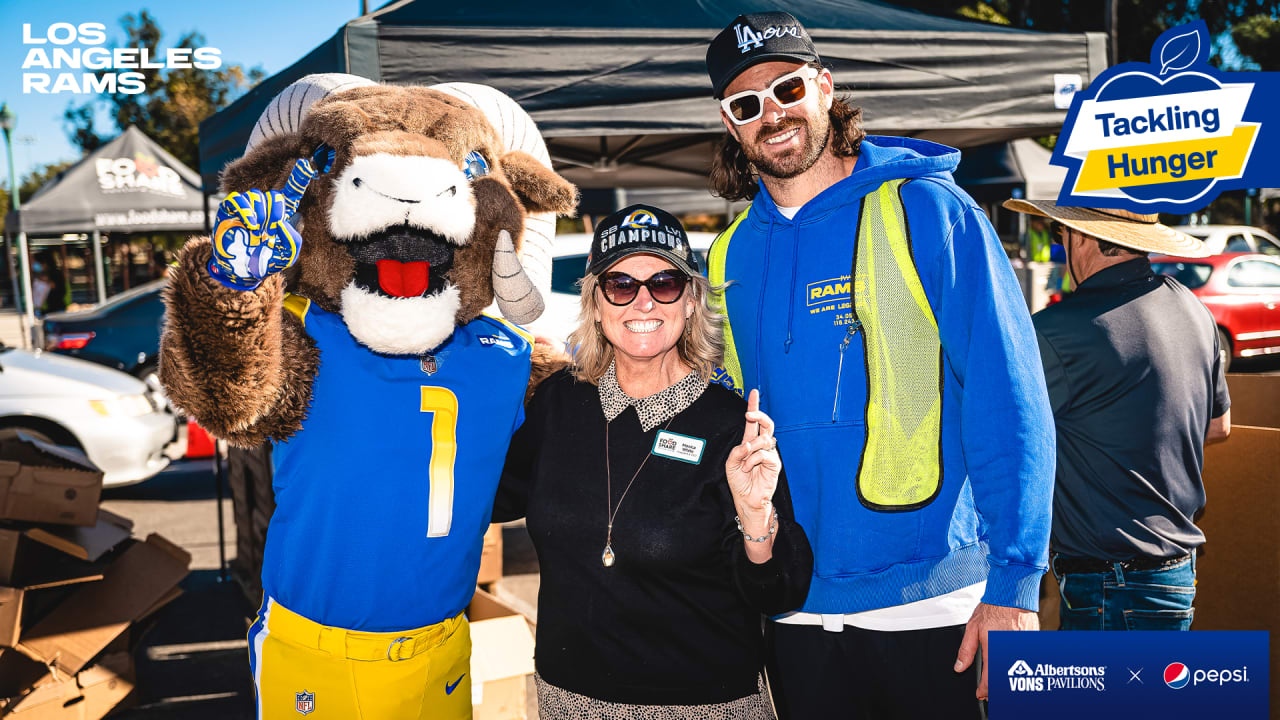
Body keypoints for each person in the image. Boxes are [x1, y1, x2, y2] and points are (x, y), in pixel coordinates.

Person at [703, 12, 1055, 717]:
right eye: (747, 105)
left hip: (932, 605)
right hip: (797, 610)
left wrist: (1015, 584)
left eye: (787, 88)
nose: (771, 114)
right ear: (730, 124)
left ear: (825, 87)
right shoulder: (732, 253)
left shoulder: (928, 207)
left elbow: (1007, 393)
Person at [495, 203, 813, 720]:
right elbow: (488, 497)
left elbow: (778, 590)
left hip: (702, 705)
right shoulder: (558, 403)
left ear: (690, 301)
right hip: (569, 699)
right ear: (596, 304)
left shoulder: (733, 424)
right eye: (620, 285)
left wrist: (759, 522)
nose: (643, 300)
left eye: (664, 283)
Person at [1003, 200, 1232, 631]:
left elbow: (998, 438)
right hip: (1176, 573)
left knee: (1107, 703)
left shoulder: (1058, 330)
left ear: (1084, 237)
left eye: (1060, 234)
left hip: (1110, 583)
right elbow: (1219, 426)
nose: (1061, 246)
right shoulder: (1193, 308)